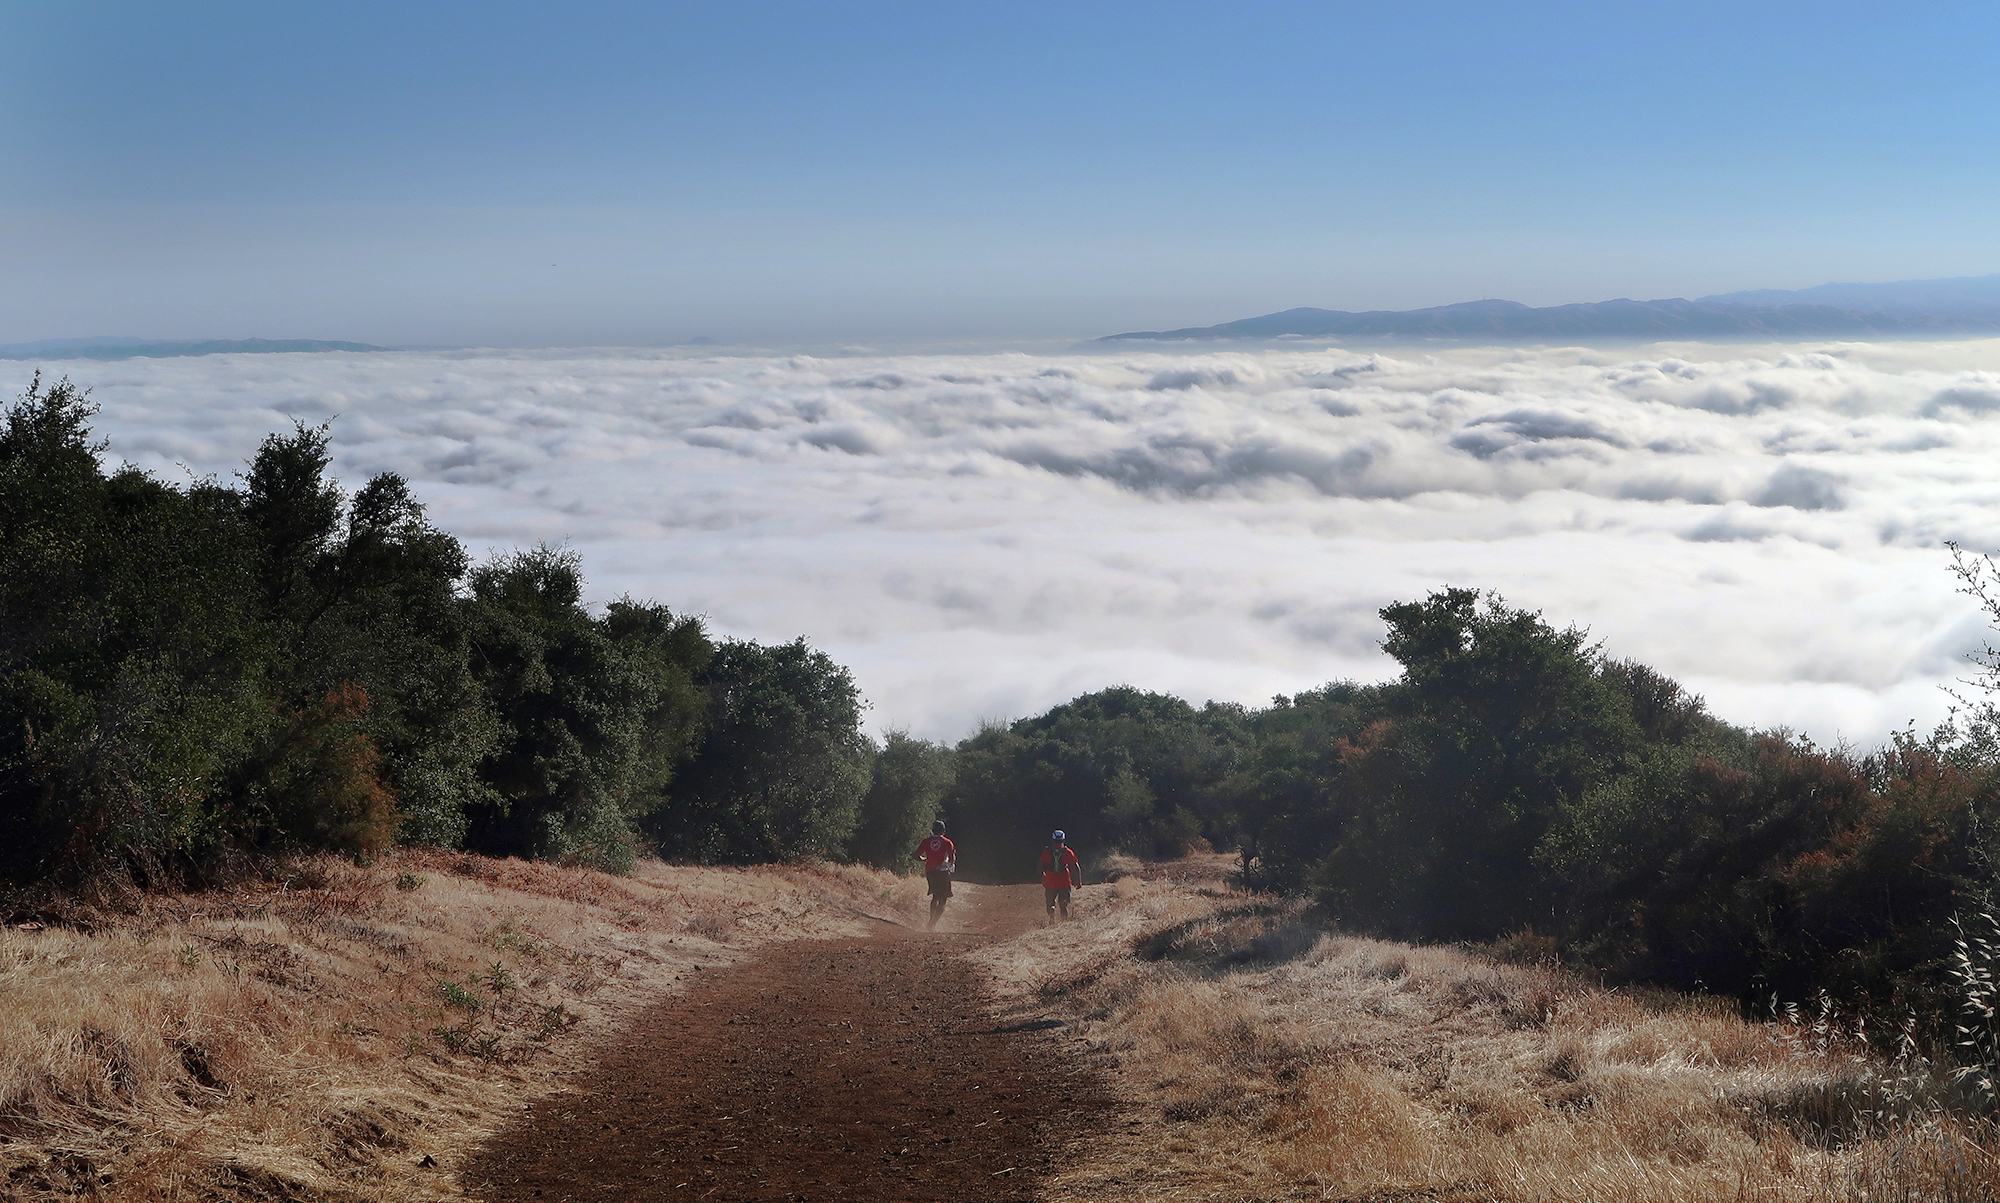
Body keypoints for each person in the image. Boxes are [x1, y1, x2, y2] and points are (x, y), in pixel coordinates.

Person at [914, 820, 956, 929]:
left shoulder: (926, 841)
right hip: (943, 872)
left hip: (930, 871)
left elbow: (916, 855)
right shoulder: (948, 842)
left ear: (932, 830)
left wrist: (925, 859)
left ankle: (930, 919)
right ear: (944, 831)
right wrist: (949, 866)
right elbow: (952, 858)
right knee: (943, 899)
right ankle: (933, 923)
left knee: (935, 896)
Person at [1039, 830, 1080, 922]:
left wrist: (1043, 877)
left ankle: (1052, 918)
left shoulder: (1046, 851)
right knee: (1063, 904)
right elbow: (1075, 867)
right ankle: (1064, 922)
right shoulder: (1068, 852)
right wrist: (1078, 881)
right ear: (1064, 840)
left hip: (1050, 881)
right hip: (1064, 881)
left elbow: (1040, 866)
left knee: (1050, 903)